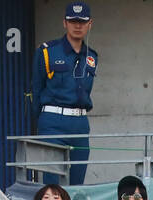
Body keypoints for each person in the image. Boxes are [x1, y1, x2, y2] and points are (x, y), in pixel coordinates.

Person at [32, 4, 97, 185]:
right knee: (52, 184)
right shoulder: (47, 52)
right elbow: (36, 89)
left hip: (80, 124)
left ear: (89, 24)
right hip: (52, 121)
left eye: (82, 22)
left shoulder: (92, 57)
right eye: (73, 21)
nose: (78, 26)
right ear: (65, 23)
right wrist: (42, 120)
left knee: (77, 184)